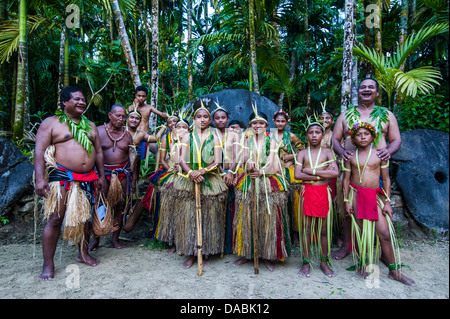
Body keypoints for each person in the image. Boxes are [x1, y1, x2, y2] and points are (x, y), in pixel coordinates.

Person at [34, 86, 107, 280]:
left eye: (83, 99)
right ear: (65, 101)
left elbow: (98, 152)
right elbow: (39, 151)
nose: (82, 102)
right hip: (62, 177)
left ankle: (83, 254)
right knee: (56, 218)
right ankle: (48, 264)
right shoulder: (51, 123)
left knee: (84, 218)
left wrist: (101, 176)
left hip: (88, 177)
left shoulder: (90, 125)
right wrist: (40, 179)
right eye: (76, 99)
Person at [331, 78, 402, 260]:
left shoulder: (386, 115)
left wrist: (388, 152)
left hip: (376, 169)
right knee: (349, 209)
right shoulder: (346, 115)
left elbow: (396, 140)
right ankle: (348, 245)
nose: (367, 90)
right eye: (363, 87)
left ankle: (383, 251)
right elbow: (335, 139)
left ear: (377, 93)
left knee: (381, 211)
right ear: (358, 92)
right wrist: (341, 153)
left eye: (371, 87)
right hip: (351, 169)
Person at [343, 122, 415, 286]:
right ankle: (365, 264)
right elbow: (346, 180)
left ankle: (394, 271)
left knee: (385, 234)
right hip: (356, 195)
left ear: (373, 137)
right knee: (362, 233)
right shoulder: (350, 156)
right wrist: (347, 201)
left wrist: (388, 202)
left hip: (375, 197)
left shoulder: (380, 155)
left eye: (366, 134)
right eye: (359, 134)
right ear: (353, 138)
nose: (362, 137)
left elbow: (387, 179)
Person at [233, 110, 291, 271]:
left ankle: (268, 255)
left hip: (268, 181)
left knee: (269, 219)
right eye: (254, 123)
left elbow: (273, 164)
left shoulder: (271, 141)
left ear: (266, 125)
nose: (257, 126)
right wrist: (249, 160)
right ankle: (247, 253)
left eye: (261, 123)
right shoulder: (245, 140)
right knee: (247, 218)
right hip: (249, 181)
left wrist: (262, 172)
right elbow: (243, 157)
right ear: (250, 126)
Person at [175, 105, 228, 269]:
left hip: (209, 180)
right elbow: (181, 160)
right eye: (199, 117)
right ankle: (191, 253)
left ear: (209, 120)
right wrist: (191, 172)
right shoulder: (187, 137)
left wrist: (203, 171)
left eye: (205, 116)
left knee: (209, 216)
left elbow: (218, 161)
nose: (202, 119)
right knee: (189, 216)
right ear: (194, 120)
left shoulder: (215, 137)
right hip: (189, 180)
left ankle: (206, 252)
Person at [294, 119, 339, 278]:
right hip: (308, 192)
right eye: (311, 132)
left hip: (323, 192)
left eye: (317, 132)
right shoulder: (302, 153)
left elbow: (335, 173)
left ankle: (324, 262)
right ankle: (306, 262)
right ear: (306, 136)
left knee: (325, 230)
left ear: (322, 135)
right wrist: (322, 172)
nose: (314, 135)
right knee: (306, 229)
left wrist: (311, 171)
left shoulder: (328, 152)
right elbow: (297, 174)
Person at [89, 104, 135, 251]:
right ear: (110, 115)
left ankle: (115, 239)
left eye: (123, 116)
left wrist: (133, 179)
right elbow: (90, 154)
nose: (121, 119)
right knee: (100, 206)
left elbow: (134, 158)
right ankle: (96, 238)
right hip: (103, 174)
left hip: (121, 175)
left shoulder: (127, 135)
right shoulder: (98, 131)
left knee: (120, 207)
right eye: (118, 116)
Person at [153, 117, 190, 252]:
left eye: (184, 127)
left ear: (189, 129)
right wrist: (170, 170)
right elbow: (162, 159)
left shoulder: (192, 140)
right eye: (178, 126)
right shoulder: (169, 140)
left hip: (186, 177)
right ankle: (173, 240)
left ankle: (183, 239)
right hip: (171, 175)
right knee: (171, 210)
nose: (180, 129)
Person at [271, 110, 304, 246]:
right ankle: (282, 234)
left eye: (282, 121)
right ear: (274, 121)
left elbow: (302, 150)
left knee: (294, 201)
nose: (280, 123)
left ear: (286, 122)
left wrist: (291, 156)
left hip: (289, 171)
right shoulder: (269, 136)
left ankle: (295, 233)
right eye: (278, 121)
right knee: (279, 203)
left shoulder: (291, 136)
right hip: (275, 171)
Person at [211, 105, 241, 254]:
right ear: (213, 120)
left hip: (232, 174)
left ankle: (232, 243)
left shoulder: (233, 134)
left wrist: (230, 172)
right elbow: (211, 157)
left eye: (223, 118)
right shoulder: (210, 135)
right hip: (216, 174)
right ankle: (218, 244)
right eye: (217, 118)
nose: (220, 120)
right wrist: (222, 172)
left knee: (232, 208)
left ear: (228, 119)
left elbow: (237, 155)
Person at [127, 85, 169, 159]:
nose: (141, 98)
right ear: (135, 96)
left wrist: (170, 115)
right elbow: (131, 119)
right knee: (134, 157)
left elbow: (162, 114)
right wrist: (135, 106)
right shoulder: (131, 107)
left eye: (143, 96)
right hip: (134, 136)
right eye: (139, 96)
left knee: (159, 149)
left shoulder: (149, 107)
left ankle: (157, 169)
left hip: (146, 135)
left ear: (146, 97)